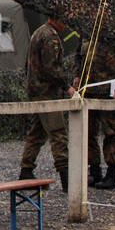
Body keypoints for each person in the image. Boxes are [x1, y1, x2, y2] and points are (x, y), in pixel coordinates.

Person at [19, 12, 71, 191]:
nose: (66, 25)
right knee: (58, 134)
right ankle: (66, 178)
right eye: (65, 20)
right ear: (56, 19)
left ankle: (26, 169)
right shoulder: (50, 37)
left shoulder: (38, 33)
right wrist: (67, 86)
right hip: (48, 93)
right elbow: (51, 68)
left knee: (37, 132)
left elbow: (28, 64)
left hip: (36, 91)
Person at [82, 34, 115, 189]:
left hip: (108, 91)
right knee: (88, 132)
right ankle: (94, 171)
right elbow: (79, 57)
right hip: (88, 91)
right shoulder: (88, 32)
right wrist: (77, 77)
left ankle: (112, 173)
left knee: (111, 133)